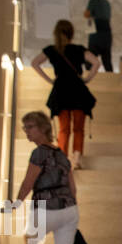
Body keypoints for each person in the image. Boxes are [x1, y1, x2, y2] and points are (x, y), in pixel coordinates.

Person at [16, 111, 80, 244]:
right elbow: (72, 187)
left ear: (43, 128)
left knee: (29, 240)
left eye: (30, 127)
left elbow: (28, 182)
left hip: (46, 208)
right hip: (69, 209)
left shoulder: (39, 153)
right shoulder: (61, 153)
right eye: (25, 127)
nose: (27, 131)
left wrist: (16, 203)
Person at [32, 19, 99, 168]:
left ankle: (62, 159)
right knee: (78, 127)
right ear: (71, 33)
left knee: (64, 128)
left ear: (56, 33)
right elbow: (96, 62)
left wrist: (50, 80)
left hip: (61, 90)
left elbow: (34, 63)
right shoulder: (78, 49)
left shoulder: (51, 49)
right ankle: (77, 158)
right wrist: (87, 78)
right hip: (77, 90)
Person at [83, 0, 113, 73]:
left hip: (97, 33)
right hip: (107, 34)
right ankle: (111, 80)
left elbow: (87, 14)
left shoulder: (94, 0)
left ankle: (89, 79)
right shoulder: (107, 2)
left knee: (89, 60)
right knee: (107, 61)